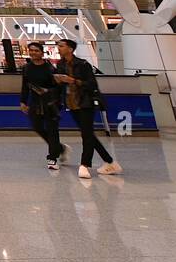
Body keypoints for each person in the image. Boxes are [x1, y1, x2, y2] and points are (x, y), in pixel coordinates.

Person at [53, 39, 121, 179]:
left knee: (86, 135)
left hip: (85, 103)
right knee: (88, 134)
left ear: (70, 49)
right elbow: (59, 86)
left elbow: (91, 84)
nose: (58, 48)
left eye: (61, 46)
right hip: (72, 104)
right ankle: (110, 162)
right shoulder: (60, 64)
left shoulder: (82, 64)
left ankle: (85, 165)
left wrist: (73, 81)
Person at [20, 41, 67, 169]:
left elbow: (58, 85)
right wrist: (23, 101)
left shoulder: (50, 68)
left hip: (50, 103)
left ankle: (52, 157)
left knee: (52, 130)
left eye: (36, 50)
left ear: (42, 52)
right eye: (31, 50)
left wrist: (56, 99)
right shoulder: (26, 68)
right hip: (35, 102)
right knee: (37, 127)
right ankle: (59, 148)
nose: (33, 53)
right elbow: (25, 86)